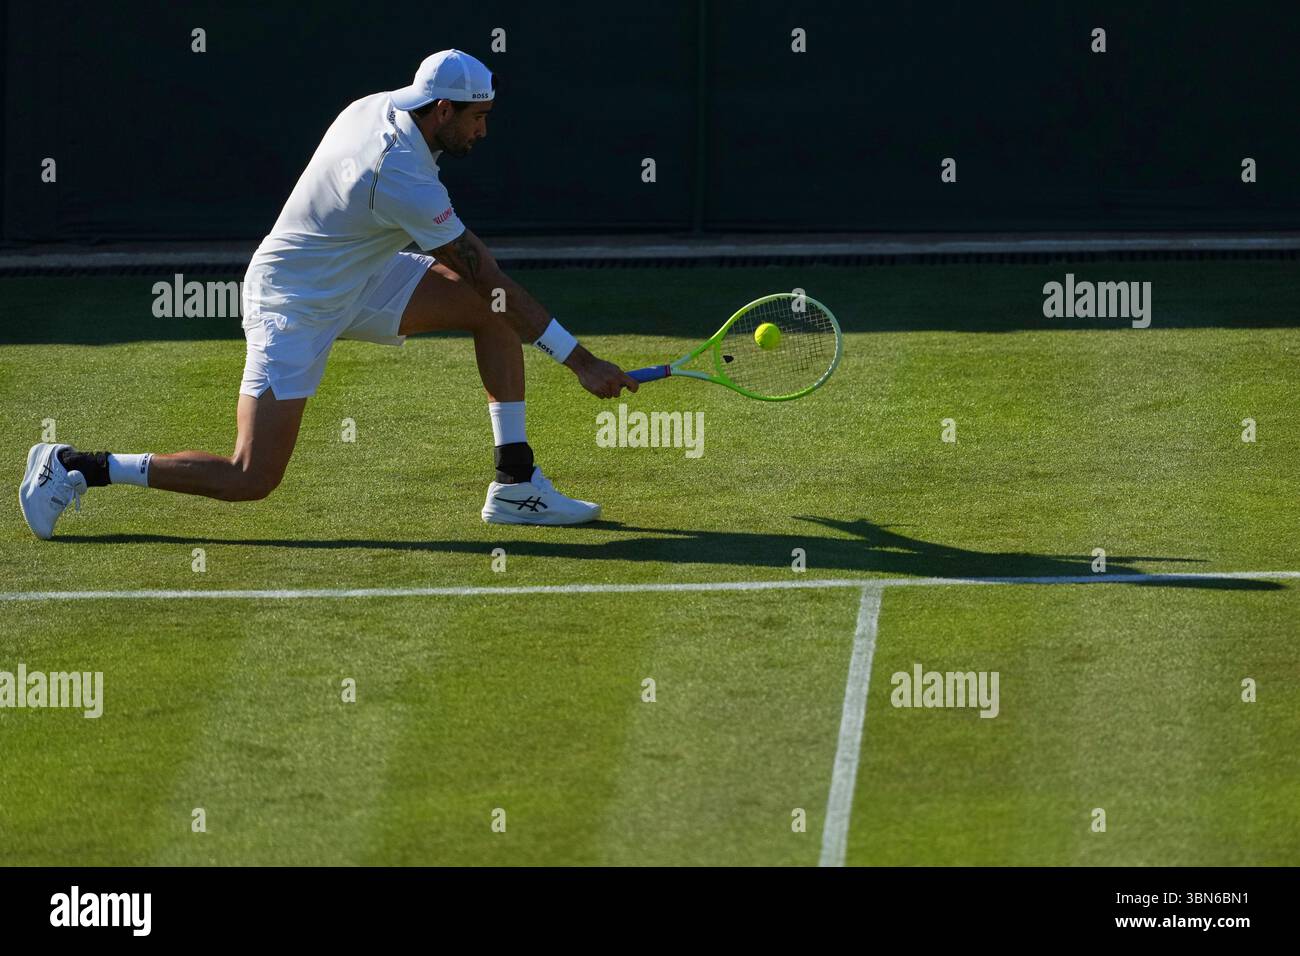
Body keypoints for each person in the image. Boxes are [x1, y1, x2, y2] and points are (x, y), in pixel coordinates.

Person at [20, 49, 638, 540]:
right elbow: (486, 273)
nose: (485, 130)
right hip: (292, 305)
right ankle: (78, 466)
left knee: (488, 309)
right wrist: (580, 362)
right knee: (251, 476)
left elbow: (484, 285)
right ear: (443, 110)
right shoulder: (399, 174)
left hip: (360, 276)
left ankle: (515, 481)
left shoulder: (381, 108)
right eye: (479, 117)